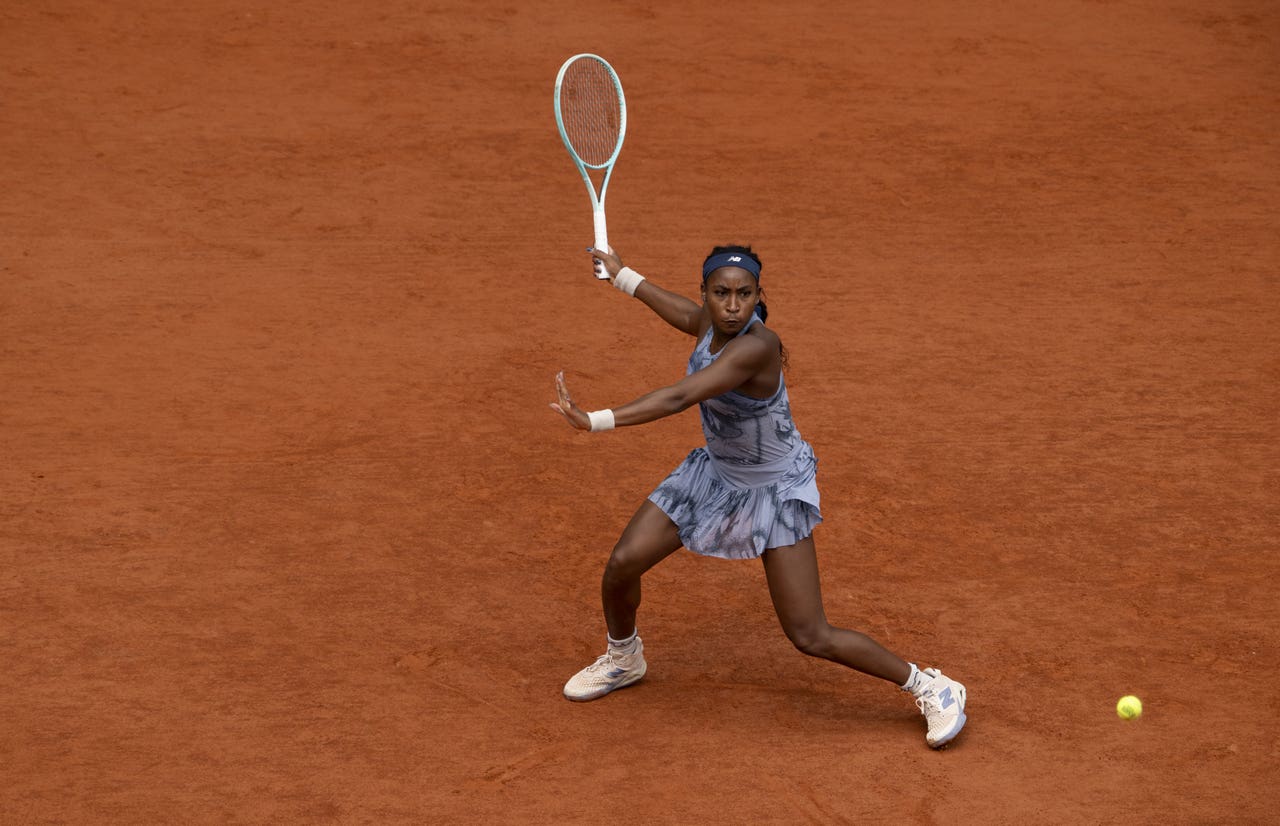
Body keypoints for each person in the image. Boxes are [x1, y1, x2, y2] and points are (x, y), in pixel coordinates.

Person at [549, 244, 968, 748]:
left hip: (772, 493)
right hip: (716, 476)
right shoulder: (708, 320)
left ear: (757, 296)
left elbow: (683, 395)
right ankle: (624, 657)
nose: (732, 306)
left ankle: (931, 687)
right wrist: (624, 277)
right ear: (706, 294)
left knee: (810, 634)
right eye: (721, 294)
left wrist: (596, 420)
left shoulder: (757, 346)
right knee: (622, 564)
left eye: (744, 295)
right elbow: (682, 312)